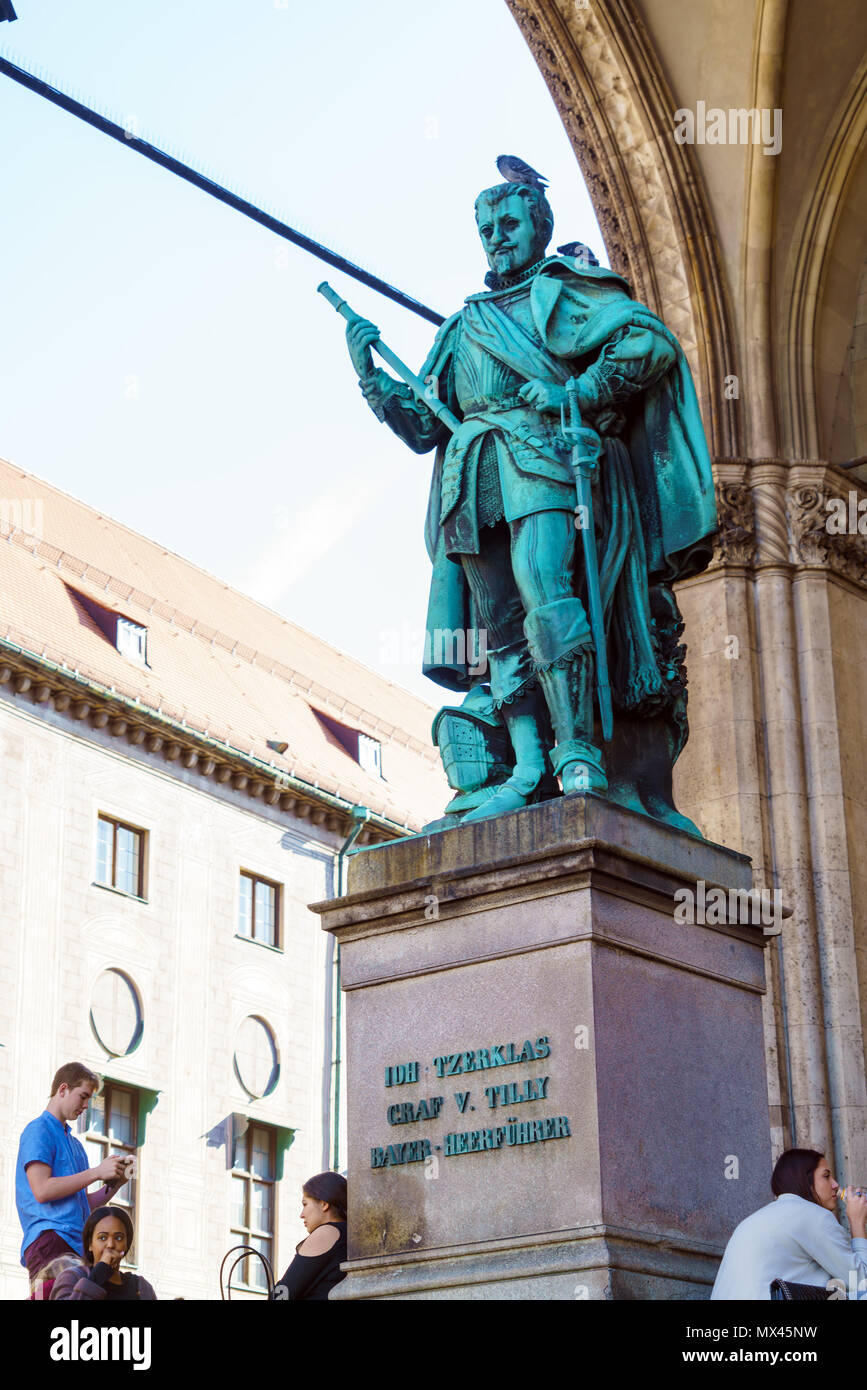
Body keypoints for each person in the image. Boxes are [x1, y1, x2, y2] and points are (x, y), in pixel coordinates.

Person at [345, 169, 715, 827]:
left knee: (545, 586)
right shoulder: (464, 325)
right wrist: (370, 376)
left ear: (536, 225)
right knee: (499, 627)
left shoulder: (565, 292)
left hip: (542, 460)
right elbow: (425, 423)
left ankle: (576, 752)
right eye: (485, 230)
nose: (495, 239)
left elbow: (648, 342)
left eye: (507, 226)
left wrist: (577, 393)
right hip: (473, 471)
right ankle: (525, 765)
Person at [15, 1062, 128, 1291]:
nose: (86, 1106)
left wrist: (115, 1185)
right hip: (49, 1239)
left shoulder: (76, 1146)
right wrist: (97, 1172)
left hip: (77, 1246)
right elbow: (42, 1189)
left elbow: (84, 1204)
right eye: (83, 1096)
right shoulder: (38, 1130)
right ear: (63, 1089)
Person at [711, 1148, 867, 1299]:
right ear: (804, 1179)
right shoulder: (814, 1215)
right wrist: (857, 1222)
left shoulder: (754, 1219)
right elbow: (861, 1283)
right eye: (826, 1176)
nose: (835, 1185)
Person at [50, 1205, 156, 1300]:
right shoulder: (72, 1277)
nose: (110, 1244)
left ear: (126, 1244)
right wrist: (99, 1273)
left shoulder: (141, 1287)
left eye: (118, 1238)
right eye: (103, 1237)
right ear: (90, 1244)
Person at [271, 1172, 347, 1301]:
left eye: (305, 1204)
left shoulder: (326, 1233)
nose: (302, 1214)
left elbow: (285, 1291)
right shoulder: (350, 1234)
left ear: (324, 1204)